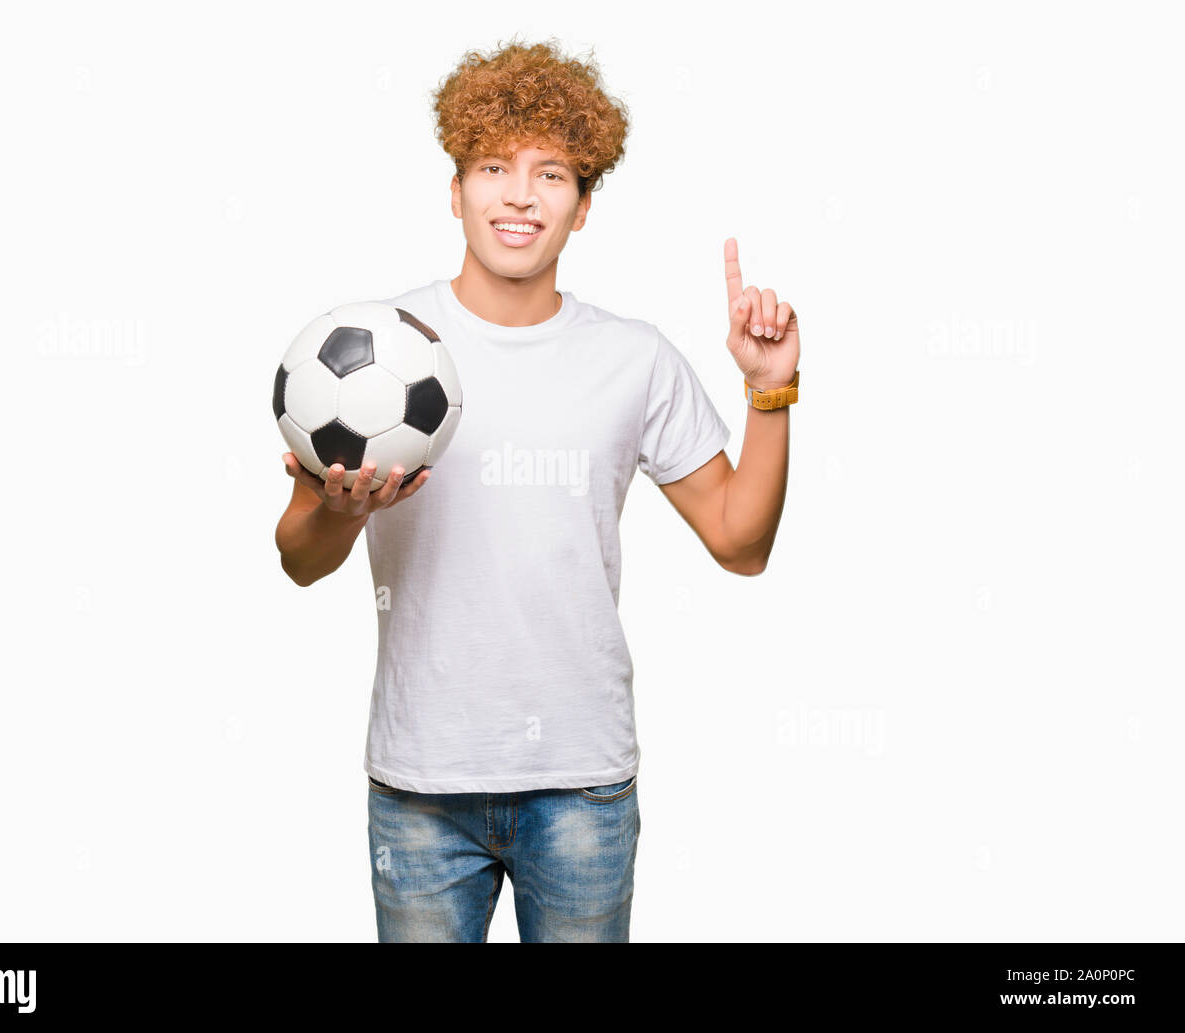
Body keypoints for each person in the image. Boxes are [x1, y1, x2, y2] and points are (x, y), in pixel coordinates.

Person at [274, 37, 800, 942]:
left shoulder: (634, 359)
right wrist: (336, 507)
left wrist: (770, 390)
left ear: (583, 205)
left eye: (551, 173)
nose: (520, 195)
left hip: (582, 786)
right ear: (456, 191)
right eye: (492, 166)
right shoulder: (377, 349)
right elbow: (296, 561)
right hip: (421, 787)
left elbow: (740, 542)